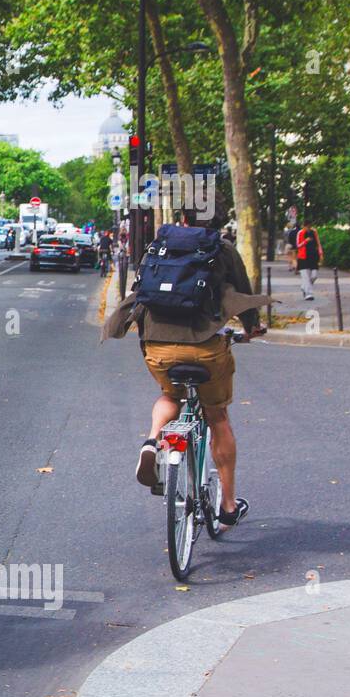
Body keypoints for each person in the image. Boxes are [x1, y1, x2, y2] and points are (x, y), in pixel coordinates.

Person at [102, 207, 268, 529]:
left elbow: (141, 288)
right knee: (217, 416)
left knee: (169, 394)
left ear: (183, 220)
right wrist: (251, 327)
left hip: (157, 347)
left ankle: (151, 441)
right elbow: (244, 293)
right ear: (218, 222)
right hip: (206, 349)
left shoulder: (159, 245)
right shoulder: (222, 249)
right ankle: (229, 507)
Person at [295, 219, 323, 301]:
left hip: (313, 256)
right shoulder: (300, 233)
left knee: (314, 276)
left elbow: (318, 243)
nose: (308, 228)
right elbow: (298, 245)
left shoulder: (314, 232)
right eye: (307, 227)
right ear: (303, 226)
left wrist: (321, 253)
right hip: (303, 257)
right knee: (306, 276)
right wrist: (305, 241)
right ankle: (309, 293)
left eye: (309, 226)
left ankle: (304, 287)